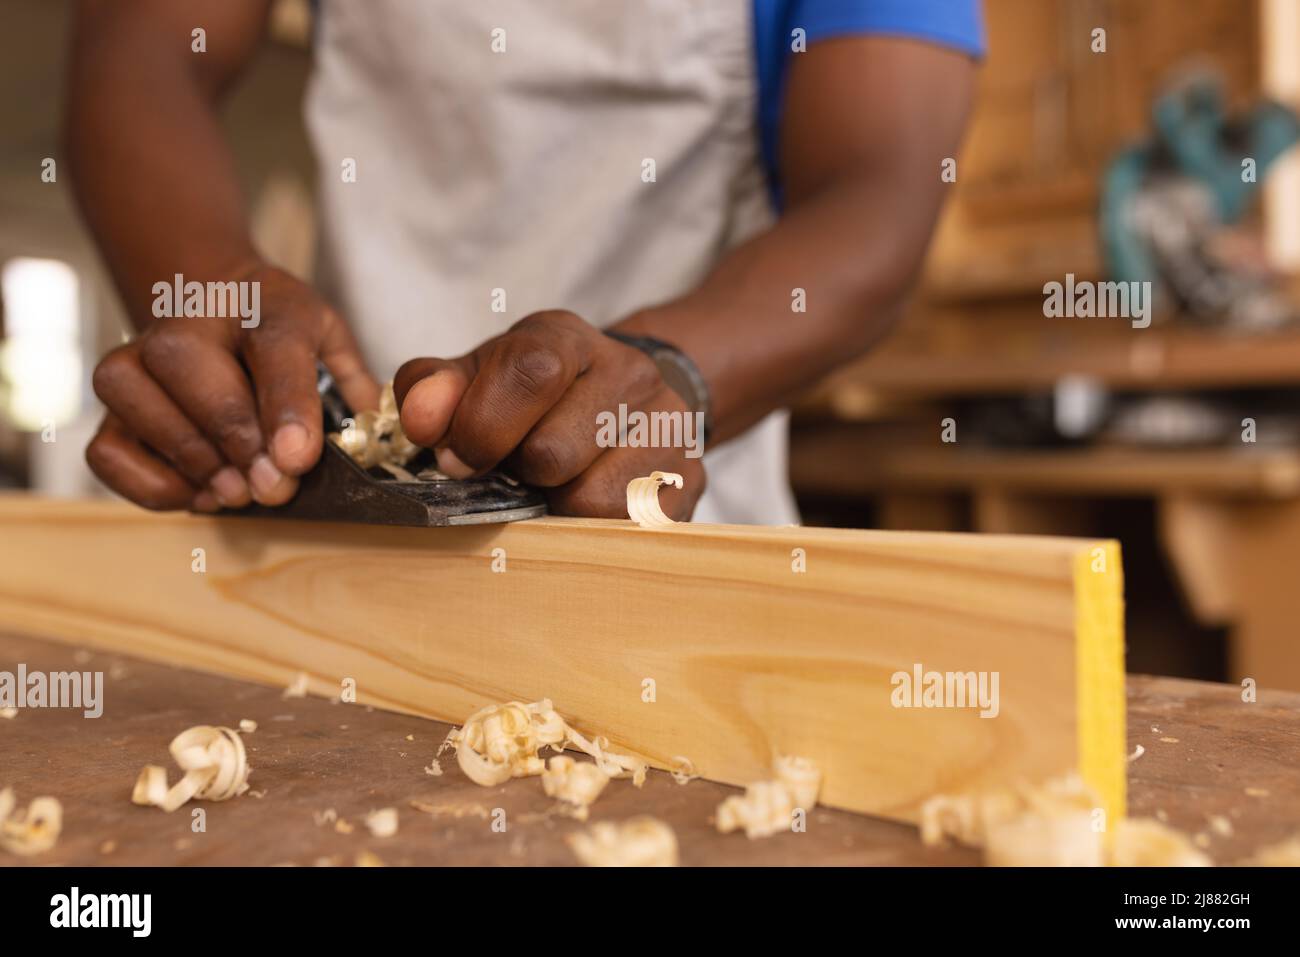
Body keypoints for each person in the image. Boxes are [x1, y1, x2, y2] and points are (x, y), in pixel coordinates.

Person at [68, 0, 982, 523]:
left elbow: (881, 193)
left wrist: (665, 377)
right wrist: (214, 287)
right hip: (333, 499)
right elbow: (144, 57)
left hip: (665, 499)